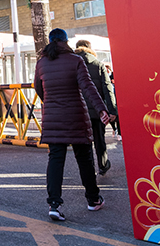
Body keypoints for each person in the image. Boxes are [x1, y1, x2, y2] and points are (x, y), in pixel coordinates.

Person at [34, 28, 109, 221]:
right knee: (84, 159)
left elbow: (38, 89)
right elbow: (88, 87)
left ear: (50, 42)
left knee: (55, 160)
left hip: (52, 118)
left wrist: (51, 102)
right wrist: (101, 109)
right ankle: (93, 200)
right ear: (66, 42)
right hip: (76, 116)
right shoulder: (76, 61)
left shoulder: (42, 63)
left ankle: (54, 205)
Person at [75, 39, 118, 174]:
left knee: (84, 142)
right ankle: (103, 165)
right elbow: (107, 89)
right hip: (97, 110)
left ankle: (89, 169)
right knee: (100, 139)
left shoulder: (72, 64)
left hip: (79, 110)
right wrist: (112, 110)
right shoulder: (98, 64)